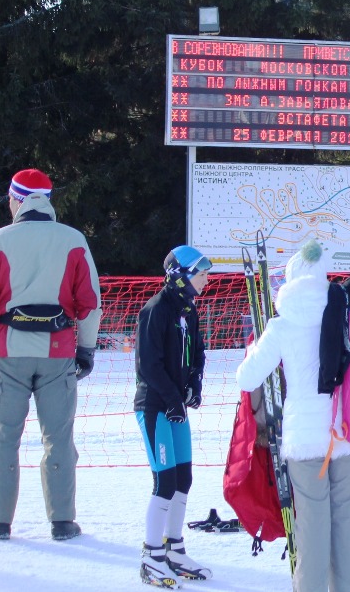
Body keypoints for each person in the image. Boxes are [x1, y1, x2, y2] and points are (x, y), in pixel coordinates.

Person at [237, 240, 350, 591]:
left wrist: (255, 349)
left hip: (305, 440)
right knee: (346, 531)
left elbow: (247, 377)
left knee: (310, 533)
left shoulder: (282, 324)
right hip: (348, 434)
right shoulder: (345, 312)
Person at [0, 168, 101, 542]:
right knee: (58, 437)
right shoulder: (72, 240)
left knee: (2, 437)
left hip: (6, 351)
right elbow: (89, 304)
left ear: (18, 199)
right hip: (58, 353)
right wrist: (86, 349)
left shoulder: (1, 240)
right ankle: (62, 521)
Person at [135, 246, 213, 585]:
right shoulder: (155, 310)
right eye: (201, 274)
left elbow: (198, 351)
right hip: (155, 406)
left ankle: (174, 548)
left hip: (175, 406)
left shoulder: (188, 310)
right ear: (180, 276)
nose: (206, 280)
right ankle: (151, 555)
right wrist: (170, 399)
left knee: (184, 480)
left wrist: (194, 383)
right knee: (164, 482)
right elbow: (148, 365)